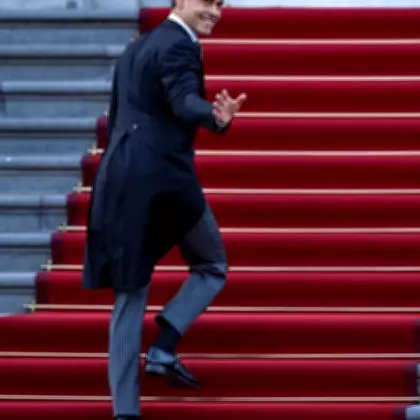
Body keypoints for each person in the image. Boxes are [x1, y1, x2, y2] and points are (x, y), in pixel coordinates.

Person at [81, 0, 246, 418]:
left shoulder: (138, 46)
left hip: (118, 178)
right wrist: (216, 115)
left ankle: (125, 411)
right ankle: (164, 345)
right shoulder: (180, 45)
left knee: (130, 292)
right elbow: (183, 99)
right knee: (212, 264)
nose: (215, 11)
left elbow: (119, 117)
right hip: (163, 181)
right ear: (180, 2)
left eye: (221, 4)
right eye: (207, 2)